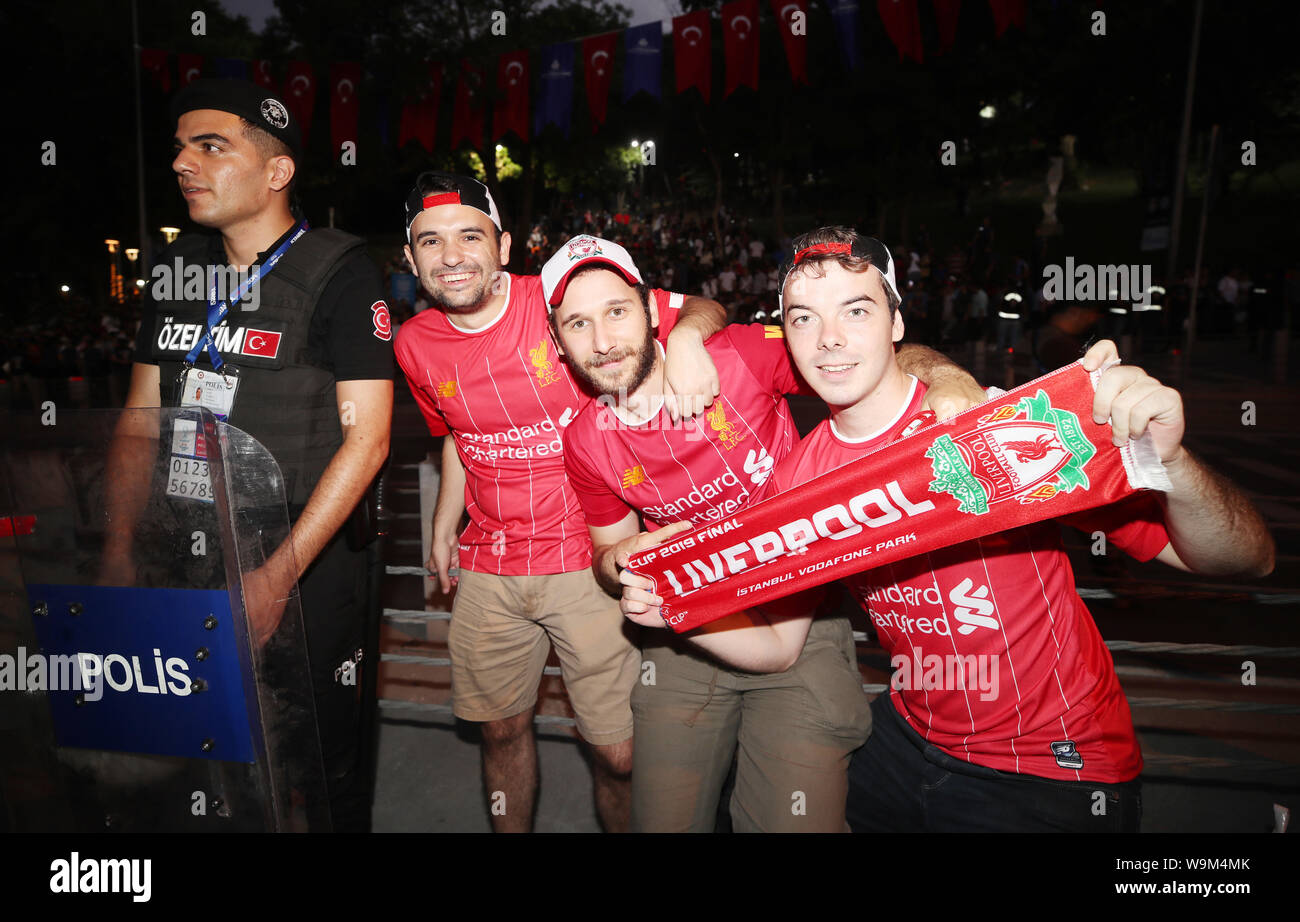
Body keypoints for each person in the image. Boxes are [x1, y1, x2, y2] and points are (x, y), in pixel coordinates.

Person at [622, 226, 1274, 832]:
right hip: (907, 743)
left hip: (1052, 768)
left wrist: (1174, 462)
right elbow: (779, 647)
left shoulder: (989, 423)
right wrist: (678, 606)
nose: (829, 340)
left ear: (897, 321)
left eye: (856, 311)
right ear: (787, 336)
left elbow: (1246, 560)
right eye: (804, 319)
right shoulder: (802, 475)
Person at [549, 234, 985, 831]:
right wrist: (622, 560)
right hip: (685, 634)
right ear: (558, 341)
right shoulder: (584, 441)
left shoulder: (736, 356)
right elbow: (605, 556)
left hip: (801, 622)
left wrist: (946, 379)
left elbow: (855, 354)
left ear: (653, 310)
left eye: (617, 312)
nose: (601, 342)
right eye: (578, 324)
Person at [393, 174, 727, 833]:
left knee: (619, 751)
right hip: (488, 565)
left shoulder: (564, 302)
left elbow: (698, 308)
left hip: (592, 559)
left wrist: (687, 341)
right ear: (410, 259)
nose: (451, 255)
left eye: (470, 236)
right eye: (430, 241)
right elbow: (459, 435)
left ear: (504, 245)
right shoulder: (414, 344)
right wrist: (442, 523)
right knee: (500, 730)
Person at [107, 78, 394, 831]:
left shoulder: (340, 272)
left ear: (276, 171)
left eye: (210, 146)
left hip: (303, 556)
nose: (181, 163)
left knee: (315, 766)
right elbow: (139, 421)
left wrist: (277, 578)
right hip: (184, 546)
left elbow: (369, 440)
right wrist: (117, 551)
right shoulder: (175, 271)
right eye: (178, 147)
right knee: (202, 758)